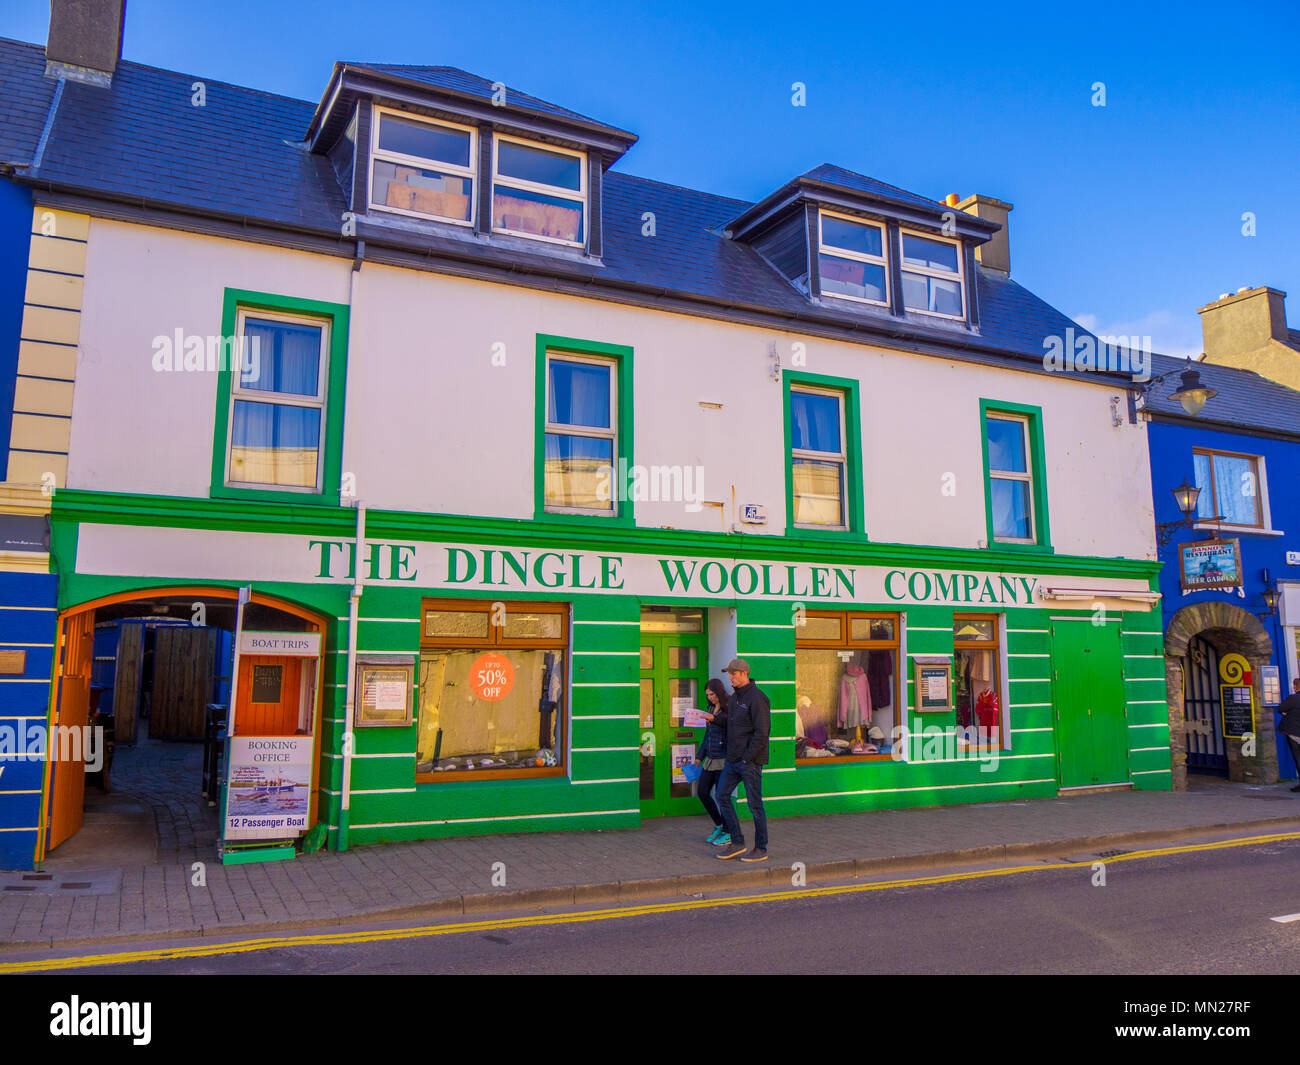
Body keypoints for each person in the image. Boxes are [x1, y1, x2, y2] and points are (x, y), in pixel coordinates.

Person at [715, 658, 771, 862]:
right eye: (729, 674)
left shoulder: (757, 698)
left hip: (750, 761)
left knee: (755, 805)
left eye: (733, 674)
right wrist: (713, 719)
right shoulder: (734, 699)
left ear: (744, 674)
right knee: (721, 795)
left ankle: (761, 848)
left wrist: (748, 758)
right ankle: (737, 843)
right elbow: (733, 726)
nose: (729, 677)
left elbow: (762, 732)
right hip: (732, 760)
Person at [696, 678, 730, 845]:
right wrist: (699, 756)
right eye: (707, 694)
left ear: (719, 692)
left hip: (723, 759)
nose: (710, 697)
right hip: (710, 759)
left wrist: (714, 719)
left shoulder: (729, 708)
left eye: (712, 694)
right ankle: (719, 824)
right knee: (702, 792)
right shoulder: (710, 709)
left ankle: (728, 831)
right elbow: (708, 736)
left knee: (721, 795)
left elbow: (730, 727)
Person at [1278, 680, 1300, 794]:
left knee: (1298, 758)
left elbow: (1280, 708)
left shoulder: (1293, 698)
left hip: (1294, 733)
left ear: (1296, 687)